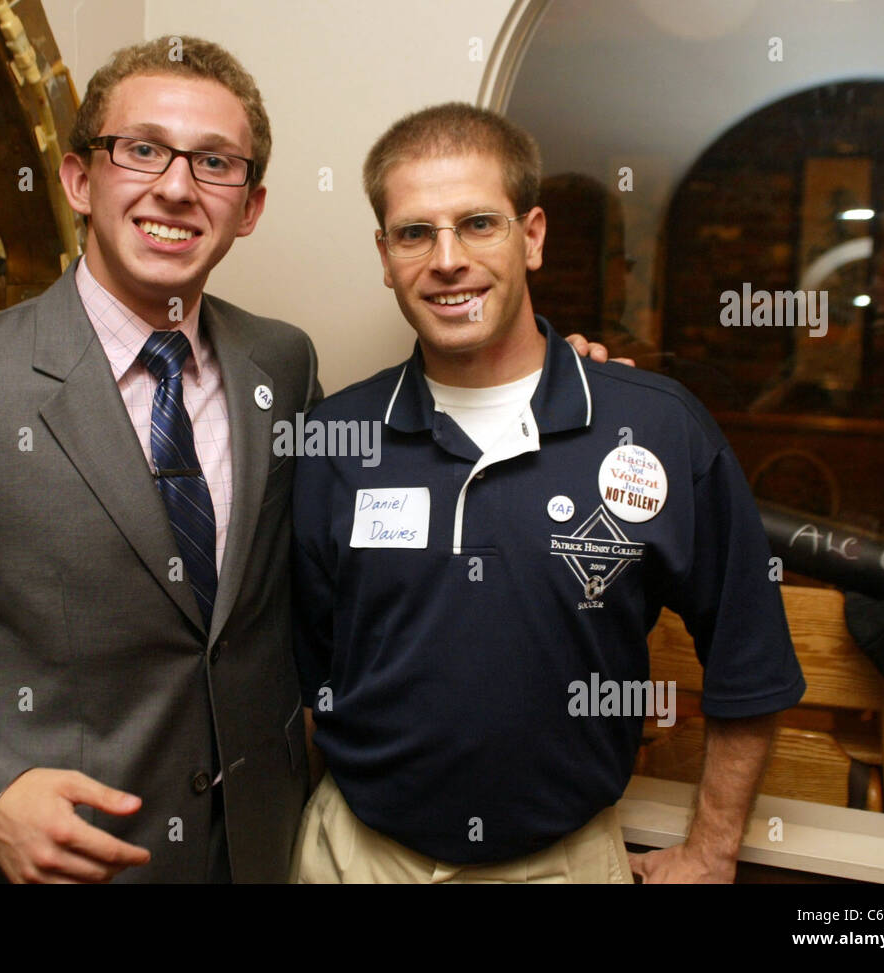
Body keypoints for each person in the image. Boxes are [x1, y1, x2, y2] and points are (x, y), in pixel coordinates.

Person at [0, 36, 629, 884]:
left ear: (251, 205)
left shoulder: (281, 364)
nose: (176, 186)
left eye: (215, 162)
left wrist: (553, 387)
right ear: (81, 180)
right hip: (75, 866)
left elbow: (397, 479)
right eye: (143, 149)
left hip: (266, 855)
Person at [290, 103, 807, 884]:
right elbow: (304, 673)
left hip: (559, 864)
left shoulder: (651, 428)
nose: (447, 259)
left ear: (531, 236)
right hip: (355, 855)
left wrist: (713, 845)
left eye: (477, 224)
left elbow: (750, 652)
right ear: (385, 254)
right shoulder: (337, 437)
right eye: (414, 233)